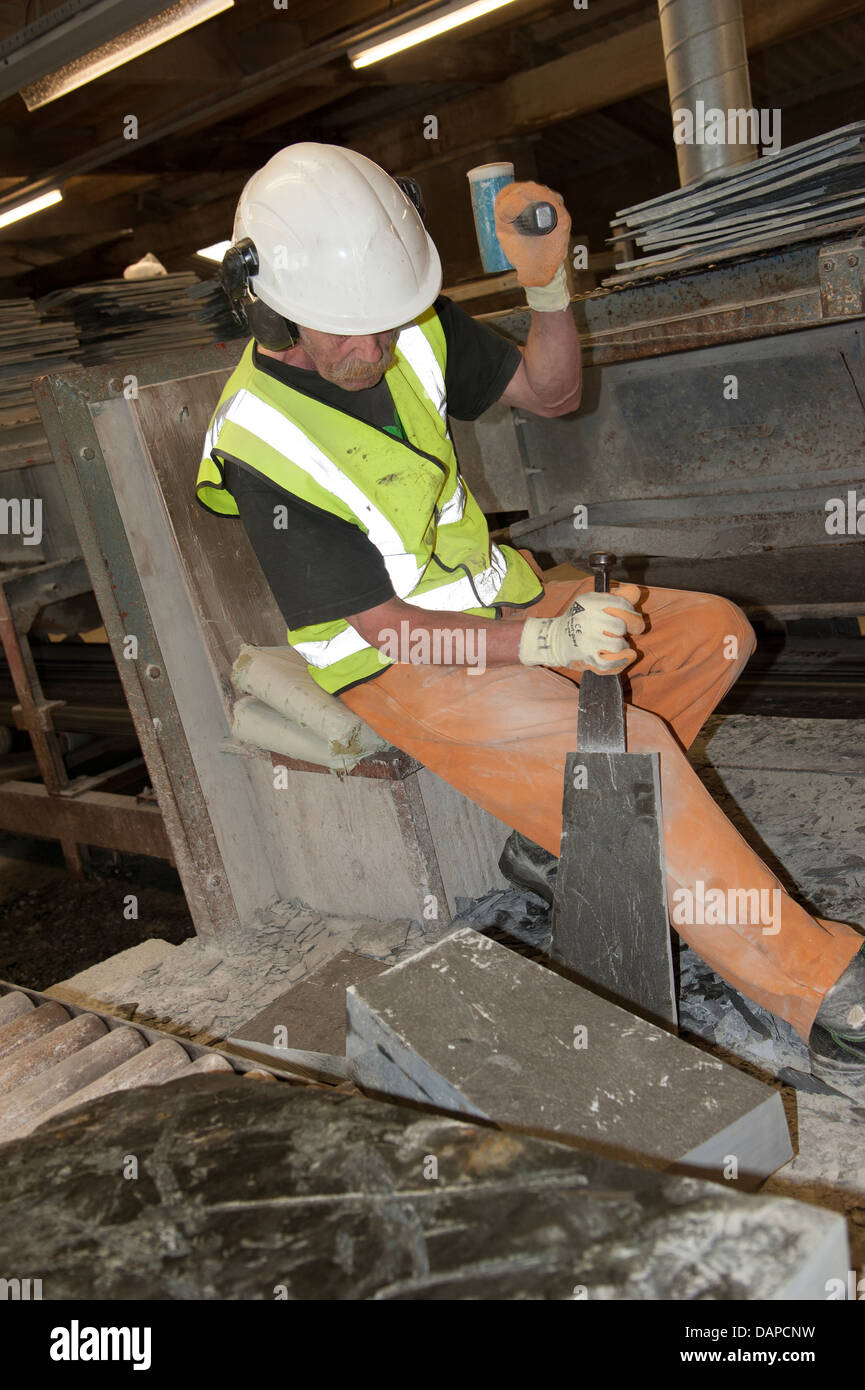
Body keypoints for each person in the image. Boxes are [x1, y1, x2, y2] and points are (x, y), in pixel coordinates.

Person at [196, 142, 865, 1095]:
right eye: (343, 332)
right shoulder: (260, 440)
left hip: (493, 595)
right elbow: (384, 626)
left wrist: (546, 289)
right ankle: (824, 995)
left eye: (383, 324)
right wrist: (543, 644)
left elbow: (551, 395)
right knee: (632, 759)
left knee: (718, 631)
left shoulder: (409, 326)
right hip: (397, 659)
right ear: (262, 305)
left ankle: (562, 844)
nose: (373, 349)